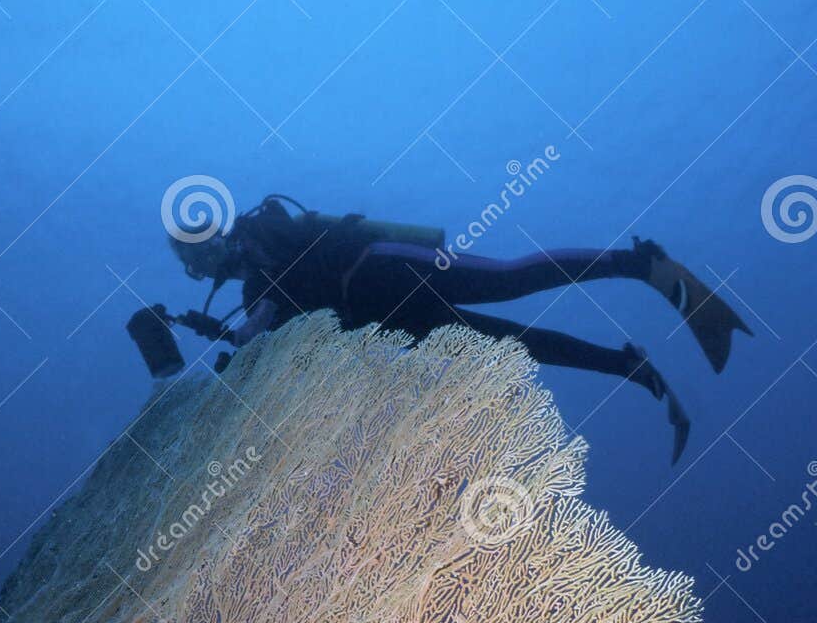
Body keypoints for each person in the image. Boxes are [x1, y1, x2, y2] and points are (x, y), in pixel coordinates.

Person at [167, 195, 752, 462]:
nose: (203, 263)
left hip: (388, 268)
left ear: (214, 237)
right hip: (395, 319)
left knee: (509, 279)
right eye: (193, 263)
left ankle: (641, 264)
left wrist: (242, 333)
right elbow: (279, 341)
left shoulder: (260, 231)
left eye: (200, 250)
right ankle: (628, 366)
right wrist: (234, 347)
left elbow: (277, 291)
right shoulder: (248, 295)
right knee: (518, 347)